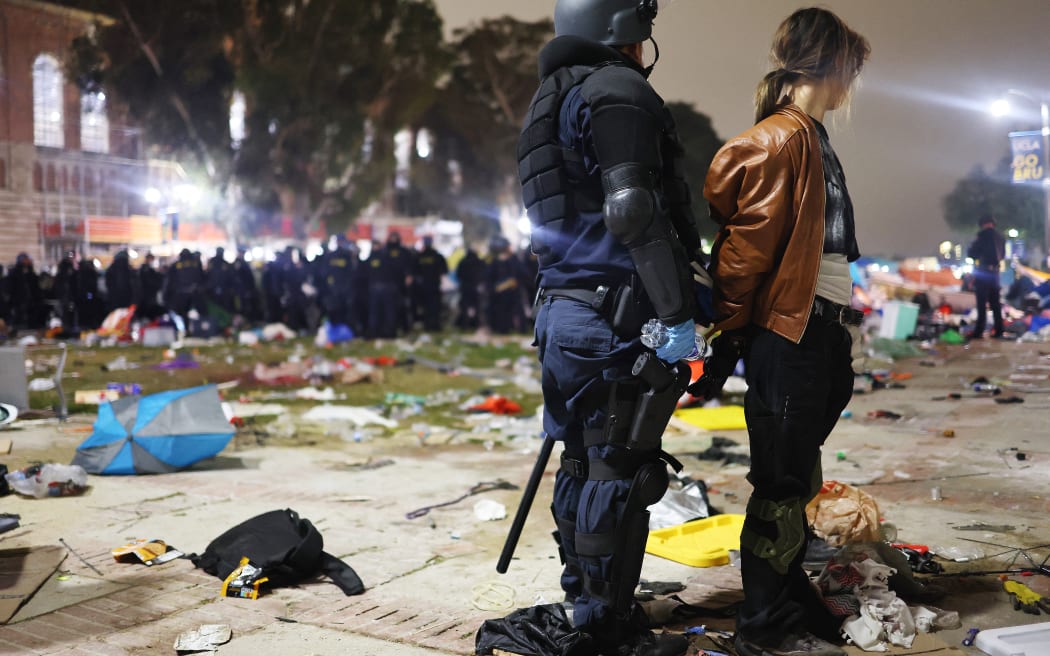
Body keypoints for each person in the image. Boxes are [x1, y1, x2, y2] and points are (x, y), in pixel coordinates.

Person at [517, 1, 704, 654]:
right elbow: (630, 209)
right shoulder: (615, 86)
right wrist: (679, 314)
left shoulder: (549, 99)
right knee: (619, 472)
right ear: (621, 28)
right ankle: (602, 626)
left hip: (564, 314)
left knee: (582, 464)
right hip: (612, 316)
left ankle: (583, 602)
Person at [694, 8, 870, 656]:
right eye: (850, 66)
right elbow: (742, 258)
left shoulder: (812, 136)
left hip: (818, 334)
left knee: (799, 474)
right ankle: (763, 623)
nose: (853, 82)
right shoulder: (781, 139)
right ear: (829, 64)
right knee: (780, 484)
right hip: (789, 339)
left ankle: (788, 594)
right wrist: (723, 340)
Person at [967, 215, 1006, 339]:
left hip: (983, 272)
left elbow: (972, 253)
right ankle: (999, 330)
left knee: (982, 303)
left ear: (983, 224)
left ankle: (979, 331)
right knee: (995, 304)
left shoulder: (982, 236)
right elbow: (1003, 255)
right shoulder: (1000, 237)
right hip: (995, 273)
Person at [412, 235, 448, 332]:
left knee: (426, 307)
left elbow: (414, 273)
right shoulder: (437, 256)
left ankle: (427, 325)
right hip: (434, 286)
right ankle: (434, 325)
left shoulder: (419, 256)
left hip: (423, 287)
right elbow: (444, 272)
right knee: (435, 307)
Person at [454, 246, 484, 330]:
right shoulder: (480, 262)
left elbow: (459, 274)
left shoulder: (462, 262)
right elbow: (484, 275)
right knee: (477, 307)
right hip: (477, 288)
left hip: (465, 287)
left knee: (465, 307)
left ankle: (464, 324)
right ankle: (476, 324)